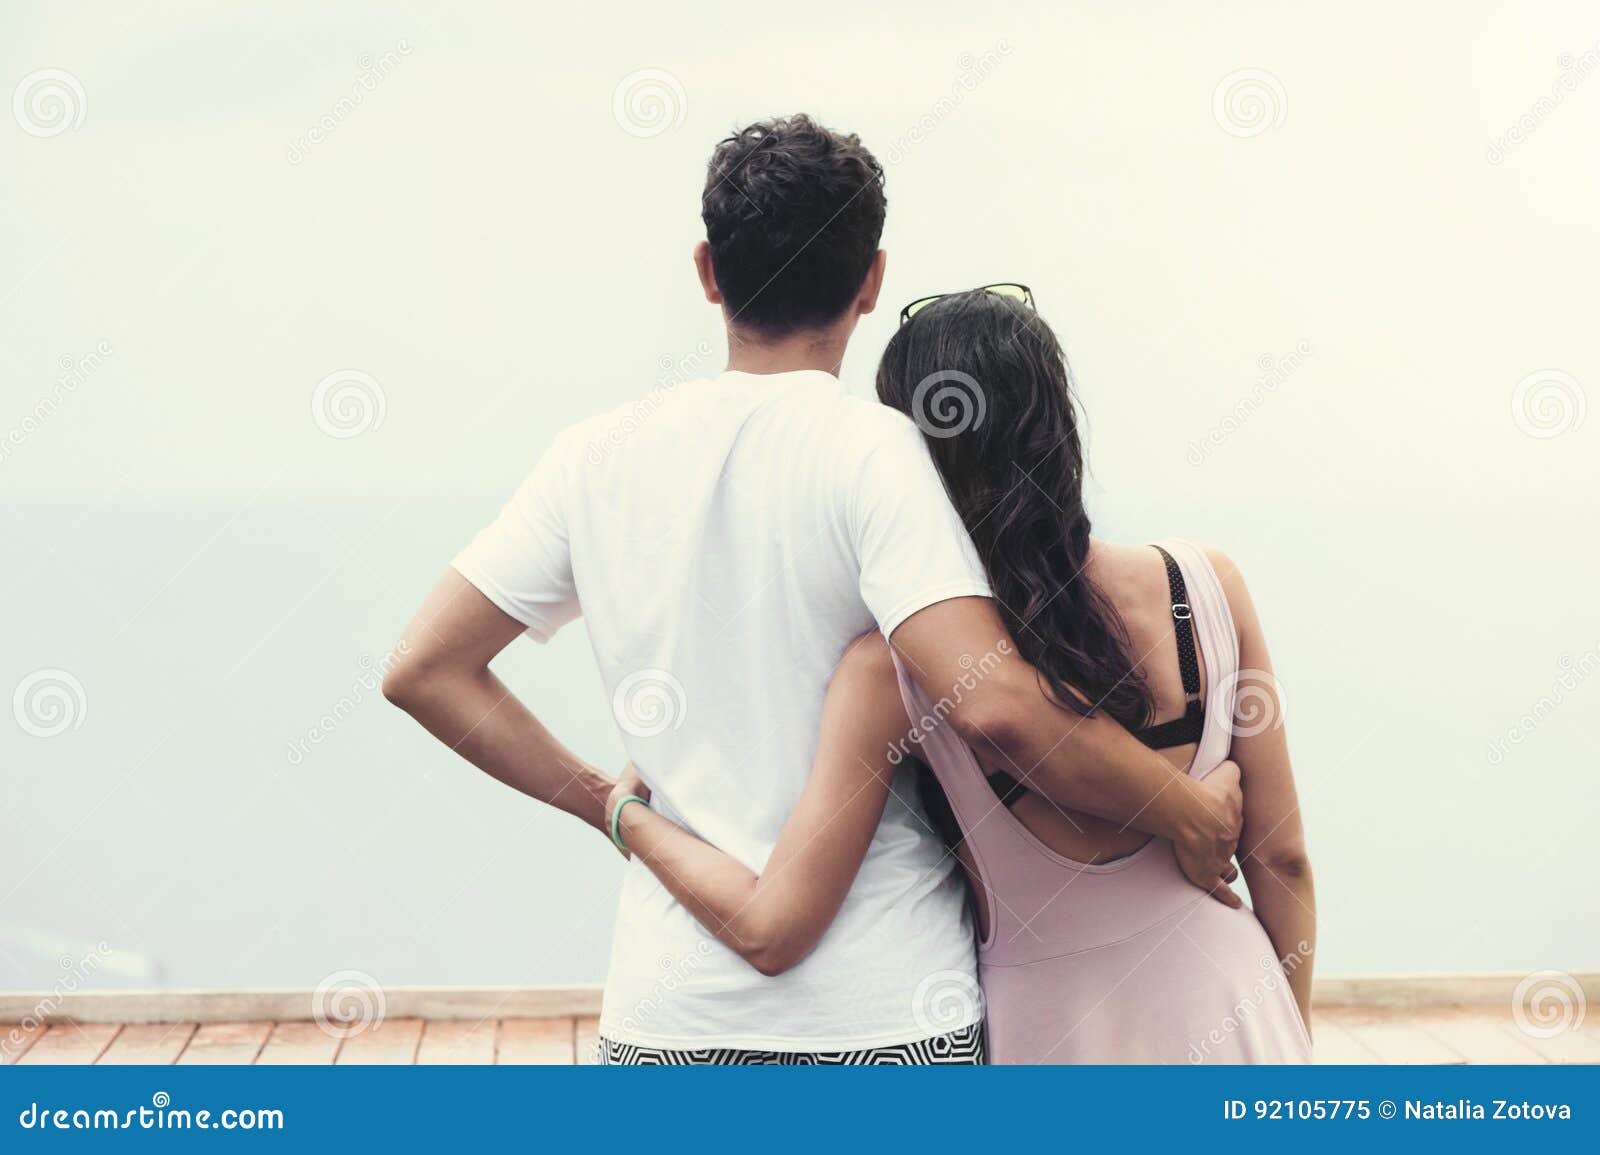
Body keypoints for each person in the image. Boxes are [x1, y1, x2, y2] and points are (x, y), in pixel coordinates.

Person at [382, 116, 1243, 1065]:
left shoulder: (591, 457)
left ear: (708, 272)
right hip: (887, 1017)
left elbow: (423, 668)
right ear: (871, 280)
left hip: (666, 1015)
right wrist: (1184, 808)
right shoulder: (880, 451)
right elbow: (994, 701)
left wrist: (605, 803)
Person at [607, 286, 1314, 1064]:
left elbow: (777, 918)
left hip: (1050, 1037)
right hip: (1243, 1010)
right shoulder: (1206, 586)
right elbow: (1280, 859)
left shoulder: (893, 670)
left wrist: (623, 809)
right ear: (1058, 424)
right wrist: (1291, 1037)